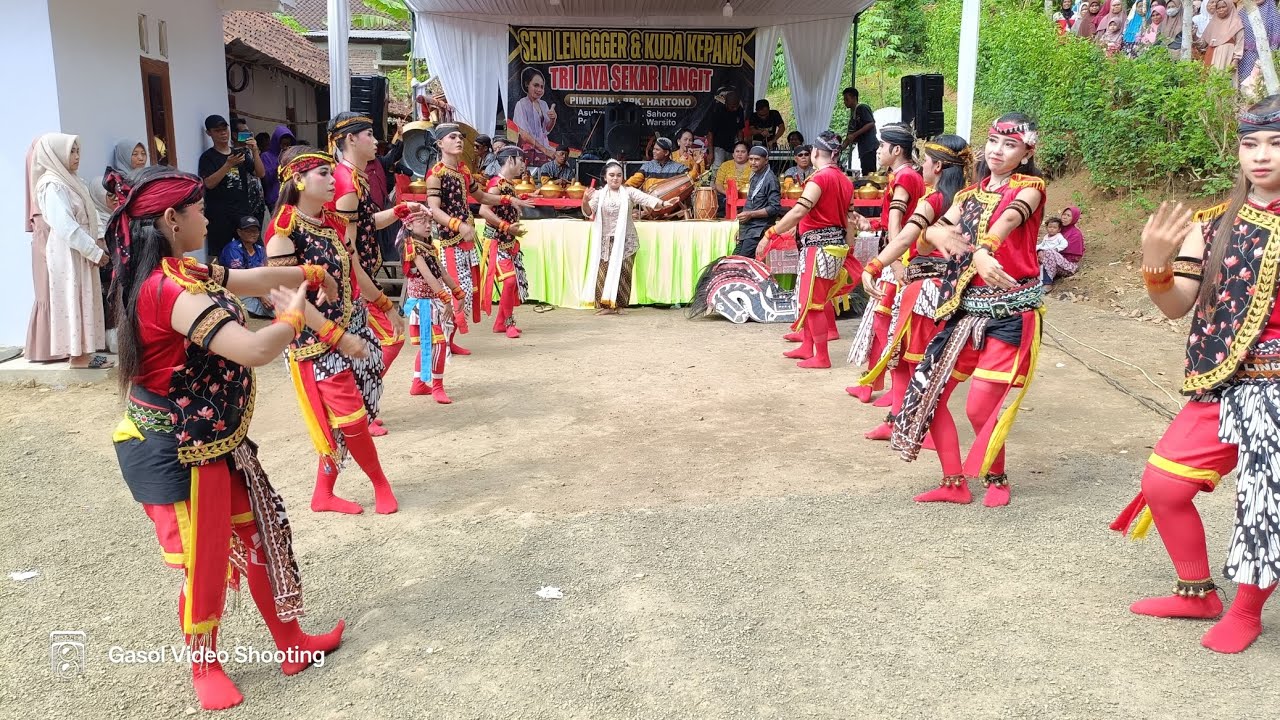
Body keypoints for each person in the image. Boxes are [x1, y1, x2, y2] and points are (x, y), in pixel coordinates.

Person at [108, 165, 347, 711]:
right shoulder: (169, 291)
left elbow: (249, 279)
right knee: (206, 559)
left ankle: (290, 644)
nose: (207, 215)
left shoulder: (182, 272)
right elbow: (256, 350)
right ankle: (203, 664)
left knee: (258, 535)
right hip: (176, 447)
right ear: (172, 220)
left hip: (212, 438)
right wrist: (293, 316)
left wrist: (307, 270)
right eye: (197, 208)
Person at [1112, 94, 1280, 654]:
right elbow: (1177, 304)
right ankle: (1196, 591)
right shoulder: (1208, 227)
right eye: (1250, 144)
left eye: (1275, 144)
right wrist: (1155, 265)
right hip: (1224, 383)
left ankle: (1247, 610)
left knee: (1261, 499)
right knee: (1163, 483)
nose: (1261, 156)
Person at [892, 113, 1046, 508]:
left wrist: (982, 250)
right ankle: (953, 481)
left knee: (979, 407)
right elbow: (928, 239)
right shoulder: (966, 196)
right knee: (931, 395)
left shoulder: (1031, 188)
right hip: (964, 309)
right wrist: (934, 232)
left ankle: (997, 477)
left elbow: (1010, 220)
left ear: (1028, 152)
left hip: (1009, 314)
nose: (998, 150)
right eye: (993, 141)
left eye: (1009, 145)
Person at [266, 147, 400, 515]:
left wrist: (385, 305)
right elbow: (288, 299)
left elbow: (355, 269)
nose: (331, 180)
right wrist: (336, 336)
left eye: (331, 173)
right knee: (351, 417)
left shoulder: (332, 223)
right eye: (322, 174)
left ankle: (322, 494)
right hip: (315, 343)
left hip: (353, 328)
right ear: (298, 180)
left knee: (345, 421)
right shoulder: (283, 232)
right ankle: (380, 484)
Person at [854, 134, 973, 460]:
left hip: (922, 291)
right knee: (905, 359)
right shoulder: (968, 200)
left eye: (926, 161)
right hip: (946, 290)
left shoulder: (934, 200)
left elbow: (905, 234)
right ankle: (898, 419)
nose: (922, 167)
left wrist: (877, 264)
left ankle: (919, 426)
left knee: (914, 361)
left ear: (937, 166)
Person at [326, 112, 411, 406]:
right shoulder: (347, 185)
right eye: (370, 135)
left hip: (358, 278)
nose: (376, 142)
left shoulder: (352, 177)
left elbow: (365, 224)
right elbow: (348, 255)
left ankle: (356, 401)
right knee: (388, 338)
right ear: (350, 139)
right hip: (352, 283)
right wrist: (384, 302)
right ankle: (358, 402)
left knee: (368, 344)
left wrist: (399, 211)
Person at [424, 124, 533, 351]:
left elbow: (481, 196)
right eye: (452, 137)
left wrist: (508, 201)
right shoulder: (436, 174)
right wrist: (458, 225)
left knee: (465, 293)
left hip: (466, 241)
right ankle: (439, 347)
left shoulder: (463, 171)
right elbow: (433, 209)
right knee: (456, 293)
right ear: (439, 143)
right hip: (450, 242)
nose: (458, 140)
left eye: (460, 137)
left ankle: (449, 342)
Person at [847, 123, 926, 410]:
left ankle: (897, 391)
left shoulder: (903, 179)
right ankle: (875, 383)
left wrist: (891, 264)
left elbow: (897, 223)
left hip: (900, 260)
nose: (878, 150)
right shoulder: (908, 176)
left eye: (882, 146)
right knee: (884, 325)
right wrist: (873, 223)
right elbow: (899, 222)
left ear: (896, 149)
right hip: (900, 255)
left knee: (887, 326)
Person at [763, 132, 858, 369]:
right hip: (834, 246)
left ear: (815, 152)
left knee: (813, 302)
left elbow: (798, 211)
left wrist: (771, 233)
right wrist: (850, 247)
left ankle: (822, 356)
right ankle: (808, 346)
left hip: (818, 248)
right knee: (811, 298)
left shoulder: (819, 179)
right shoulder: (845, 181)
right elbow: (850, 220)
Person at [25, 133, 111, 367]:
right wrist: (92, 251)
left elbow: (91, 213)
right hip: (69, 250)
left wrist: (100, 241)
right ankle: (77, 357)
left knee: (86, 297)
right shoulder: (52, 184)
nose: (76, 157)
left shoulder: (72, 180)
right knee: (73, 297)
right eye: (71, 151)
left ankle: (85, 353)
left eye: (77, 151)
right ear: (55, 154)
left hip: (82, 247)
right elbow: (65, 225)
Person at [580, 160, 676, 313]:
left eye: (619, 175)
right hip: (605, 240)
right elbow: (588, 212)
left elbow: (648, 199)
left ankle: (619, 305)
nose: (615, 178)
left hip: (627, 240)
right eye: (611, 175)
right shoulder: (598, 195)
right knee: (603, 272)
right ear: (605, 177)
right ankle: (605, 305)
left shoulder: (629, 192)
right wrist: (585, 200)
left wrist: (664, 204)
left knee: (624, 272)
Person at [400, 214, 460, 403]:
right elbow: (428, 276)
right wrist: (447, 298)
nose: (428, 226)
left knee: (430, 344)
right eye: (422, 222)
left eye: (429, 222)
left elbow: (441, 271)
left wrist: (457, 291)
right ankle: (437, 386)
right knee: (438, 344)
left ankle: (418, 383)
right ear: (409, 225)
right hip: (423, 305)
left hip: (432, 302)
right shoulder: (413, 248)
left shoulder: (428, 247)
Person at [480, 147, 530, 338]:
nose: (523, 164)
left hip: (508, 242)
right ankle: (508, 323)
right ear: (510, 160)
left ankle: (500, 323)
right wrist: (506, 227)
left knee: (513, 283)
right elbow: (484, 210)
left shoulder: (508, 184)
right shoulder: (496, 185)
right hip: (497, 242)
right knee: (509, 282)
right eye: (521, 160)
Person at [199, 114, 264, 260]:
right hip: (220, 215)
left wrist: (255, 151)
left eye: (225, 129)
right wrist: (228, 165)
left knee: (254, 249)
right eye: (217, 130)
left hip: (242, 210)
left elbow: (259, 173)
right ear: (209, 133)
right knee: (222, 255)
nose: (223, 133)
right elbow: (208, 183)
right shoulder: (208, 157)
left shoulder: (238, 152)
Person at [216, 215, 273, 317]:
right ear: (239, 232)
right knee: (272, 308)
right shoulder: (233, 249)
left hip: (257, 287)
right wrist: (260, 295)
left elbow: (267, 272)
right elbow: (240, 279)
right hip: (238, 288)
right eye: (248, 231)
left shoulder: (260, 249)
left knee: (278, 297)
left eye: (255, 231)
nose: (253, 234)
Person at [734, 146, 782, 259]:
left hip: (759, 230)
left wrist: (750, 214)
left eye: (757, 159)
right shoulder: (755, 175)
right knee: (736, 259)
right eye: (751, 159)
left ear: (766, 160)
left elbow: (774, 208)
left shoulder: (770, 179)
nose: (753, 162)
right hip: (748, 229)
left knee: (742, 262)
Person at [513, 67, 557, 166]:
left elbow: (546, 129)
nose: (539, 90)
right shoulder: (521, 104)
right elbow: (524, 135)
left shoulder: (543, 104)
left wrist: (553, 119)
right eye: (536, 85)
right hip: (528, 151)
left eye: (542, 87)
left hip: (543, 148)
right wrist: (545, 150)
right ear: (526, 84)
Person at [697, 89, 746, 169]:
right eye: (732, 106)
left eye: (736, 106)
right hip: (718, 145)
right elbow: (710, 133)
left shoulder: (739, 110)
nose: (735, 109)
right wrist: (711, 153)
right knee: (718, 168)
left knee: (732, 169)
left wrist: (741, 146)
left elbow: (740, 130)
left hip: (732, 145)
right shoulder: (717, 111)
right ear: (726, 104)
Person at [1040, 208, 1086, 284]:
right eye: (1064, 214)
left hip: (1068, 267)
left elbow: (1075, 257)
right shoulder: (1057, 229)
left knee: (1049, 251)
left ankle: (1047, 283)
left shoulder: (1076, 234)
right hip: (1052, 262)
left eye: (1068, 215)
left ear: (1074, 218)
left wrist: (1054, 255)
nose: (1064, 217)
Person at [839, 88, 878, 175]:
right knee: (865, 170)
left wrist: (855, 135)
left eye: (847, 99)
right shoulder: (853, 115)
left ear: (854, 98)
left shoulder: (862, 108)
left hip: (869, 146)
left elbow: (871, 123)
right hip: (863, 148)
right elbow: (850, 135)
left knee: (869, 172)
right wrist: (841, 147)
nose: (845, 102)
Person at [1199, 0, 1244, 72]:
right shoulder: (1213, 24)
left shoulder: (1236, 23)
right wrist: (1193, 36)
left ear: (1229, 7)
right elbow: (1202, 44)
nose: (1221, 10)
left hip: (1226, 56)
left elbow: (1239, 43)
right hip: (1210, 55)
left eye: (1223, 7)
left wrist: (1235, 60)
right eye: (1218, 8)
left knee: (1223, 78)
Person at [261, 125, 295, 208]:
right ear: (276, 143)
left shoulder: (292, 155)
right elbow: (267, 179)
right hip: (274, 200)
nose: (286, 147)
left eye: (288, 144)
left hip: (290, 199)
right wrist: (281, 162)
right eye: (283, 144)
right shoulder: (266, 156)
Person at [714, 141, 754, 208]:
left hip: (747, 197)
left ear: (748, 155)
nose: (739, 154)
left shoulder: (753, 167)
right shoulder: (725, 165)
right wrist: (727, 194)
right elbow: (718, 184)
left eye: (743, 152)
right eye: (737, 151)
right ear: (733, 154)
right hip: (726, 196)